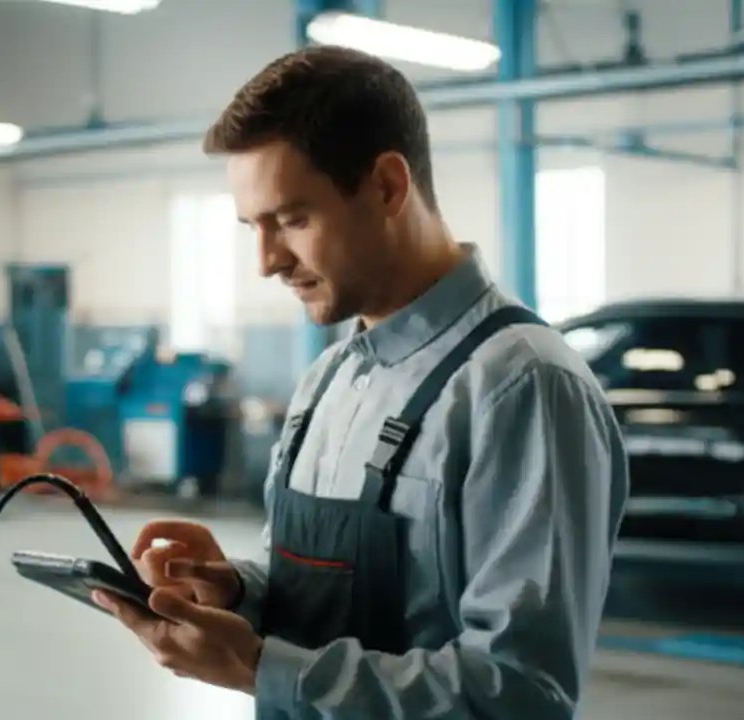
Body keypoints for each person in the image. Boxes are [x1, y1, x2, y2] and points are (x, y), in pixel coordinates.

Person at [92, 45, 629, 719]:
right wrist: (236, 592)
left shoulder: (522, 388)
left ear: (386, 186)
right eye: (252, 228)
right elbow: (322, 607)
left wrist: (259, 666)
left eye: (292, 219)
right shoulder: (329, 380)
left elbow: (520, 695)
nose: (266, 262)